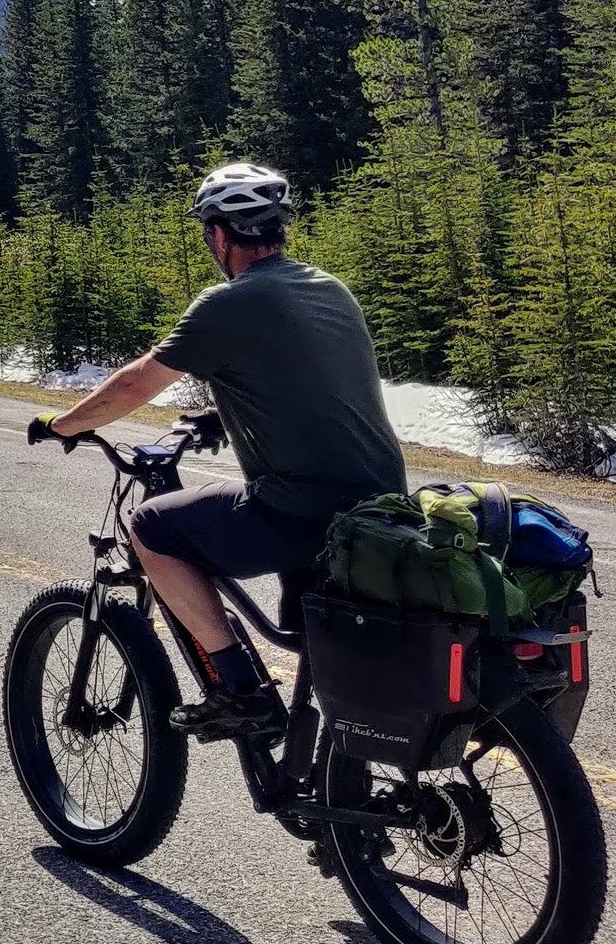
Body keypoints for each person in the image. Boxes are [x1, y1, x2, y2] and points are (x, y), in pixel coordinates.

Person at [31, 162, 406, 742]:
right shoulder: (330, 289)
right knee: (313, 634)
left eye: (208, 231)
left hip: (302, 509)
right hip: (380, 508)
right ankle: (323, 775)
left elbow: (136, 384)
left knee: (150, 526)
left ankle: (240, 690)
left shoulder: (228, 302)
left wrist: (63, 424)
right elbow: (313, 382)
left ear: (220, 234)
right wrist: (224, 414)